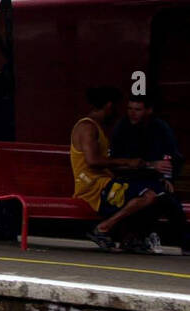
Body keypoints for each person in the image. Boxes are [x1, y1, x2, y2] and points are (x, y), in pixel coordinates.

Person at [70, 86, 170, 251]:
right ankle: (103, 228)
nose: (119, 112)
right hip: (93, 187)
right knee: (147, 195)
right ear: (109, 106)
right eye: (116, 107)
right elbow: (92, 161)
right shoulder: (87, 127)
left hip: (105, 183)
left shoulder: (96, 127)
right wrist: (127, 162)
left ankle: (130, 237)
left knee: (155, 193)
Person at [108, 94, 186, 253]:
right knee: (145, 196)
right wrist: (148, 166)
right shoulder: (122, 127)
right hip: (129, 178)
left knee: (168, 200)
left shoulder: (159, 127)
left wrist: (168, 177)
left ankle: (186, 245)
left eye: (138, 109)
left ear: (148, 111)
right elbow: (116, 160)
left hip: (153, 180)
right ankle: (134, 237)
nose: (132, 113)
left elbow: (171, 155)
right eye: (130, 109)